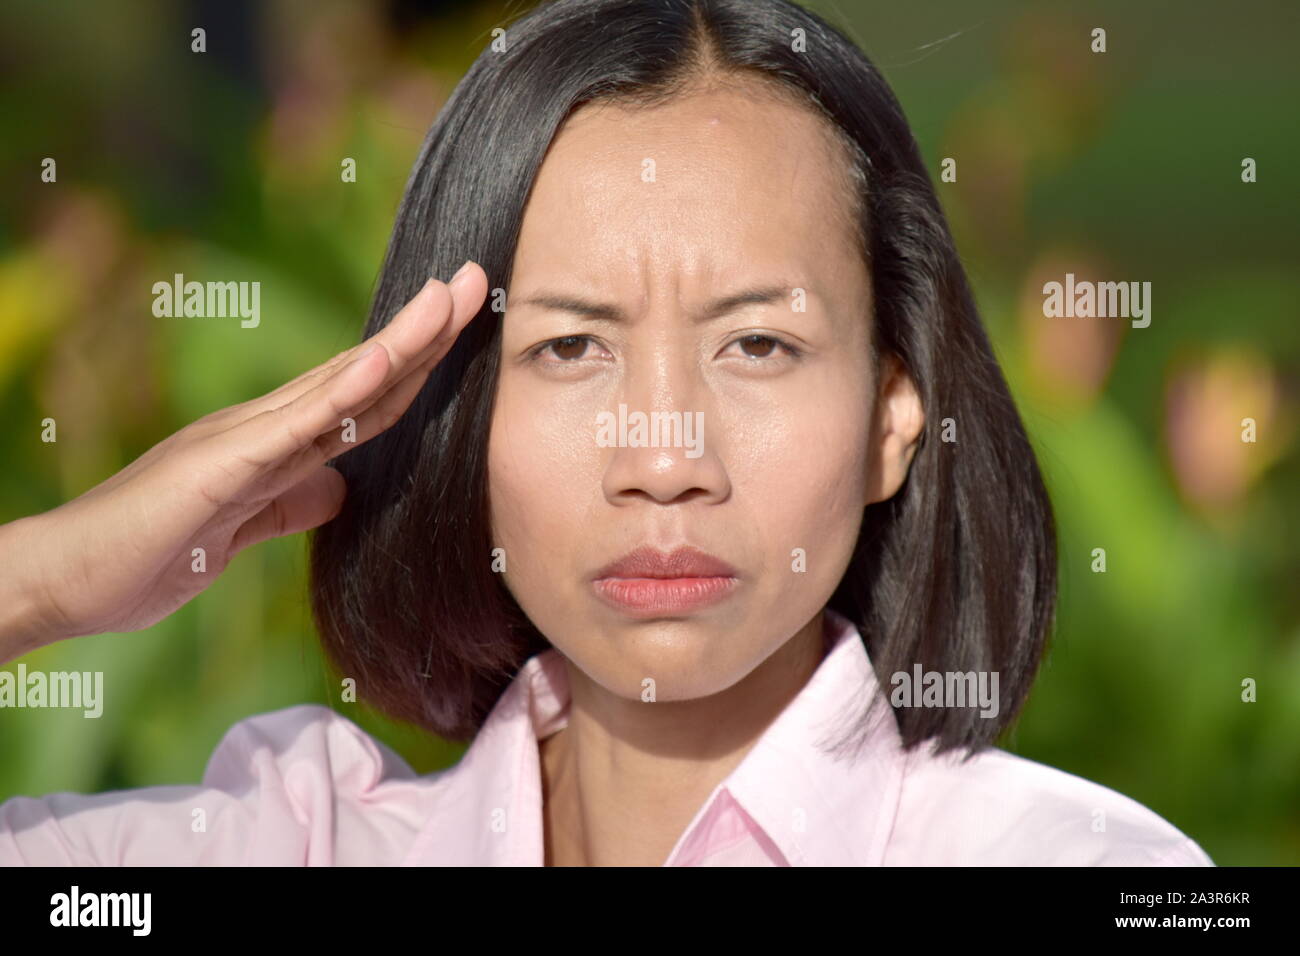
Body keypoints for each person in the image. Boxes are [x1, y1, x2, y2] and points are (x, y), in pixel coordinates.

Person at [0, 0, 1212, 866]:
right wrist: (42, 580)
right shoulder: (294, 839)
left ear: (894, 411)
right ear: (457, 409)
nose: (664, 458)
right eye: (570, 346)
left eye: (758, 345)